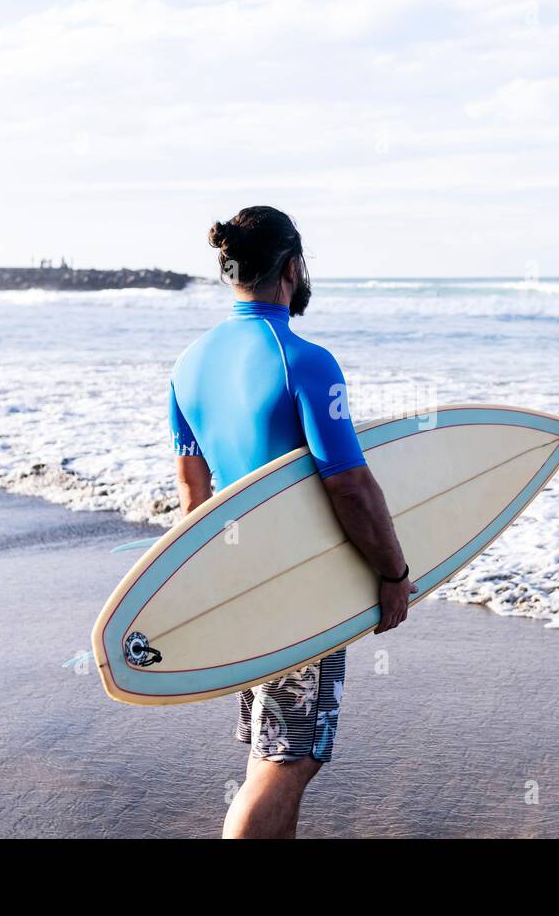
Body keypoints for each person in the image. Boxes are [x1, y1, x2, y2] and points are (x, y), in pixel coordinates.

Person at [168, 206, 415, 839]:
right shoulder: (304, 361)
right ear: (293, 267)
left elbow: (193, 498)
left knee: (271, 747)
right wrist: (393, 572)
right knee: (290, 757)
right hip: (299, 582)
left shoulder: (189, 365)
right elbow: (348, 483)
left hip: (238, 575)